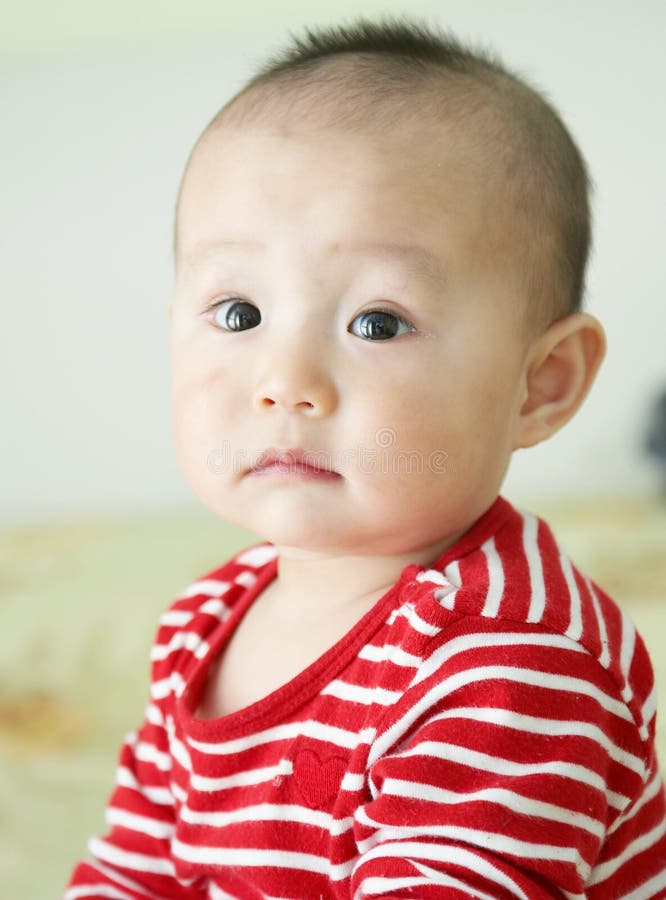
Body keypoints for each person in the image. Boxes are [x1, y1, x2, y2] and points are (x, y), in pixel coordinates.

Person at [64, 16, 666, 899]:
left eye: (377, 323)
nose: (285, 382)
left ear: (539, 385)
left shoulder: (515, 664)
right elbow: (136, 867)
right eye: (238, 314)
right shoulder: (202, 623)